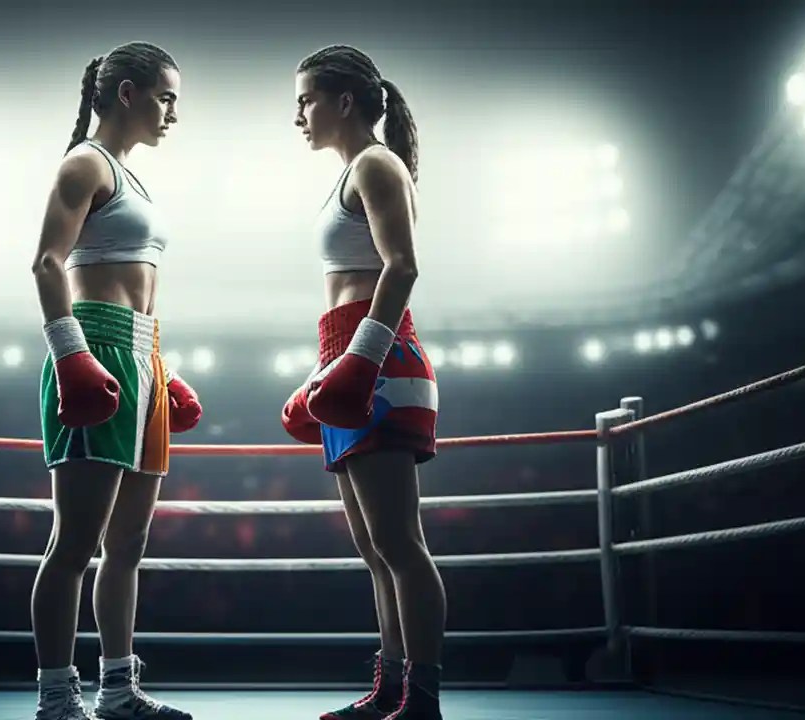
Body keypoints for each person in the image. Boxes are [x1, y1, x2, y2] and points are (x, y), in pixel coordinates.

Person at [30, 41, 201, 720]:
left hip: (142, 354)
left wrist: (166, 367)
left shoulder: (134, 179)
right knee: (73, 543)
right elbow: (47, 263)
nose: (172, 115)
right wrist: (71, 354)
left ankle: (119, 689)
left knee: (127, 545)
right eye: (166, 98)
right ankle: (54, 698)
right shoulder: (84, 163)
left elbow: (140, 287)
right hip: (94, 345)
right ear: (127, 92)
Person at [280, 45, 445, 720]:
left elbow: (401, 267)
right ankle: (391, 688)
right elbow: (347, 284)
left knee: (401, 543)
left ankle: (423, 700)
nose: (298, 116)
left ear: (344, 102)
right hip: (348, 355)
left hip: (380, 361)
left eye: (306, 100)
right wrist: (326, 366)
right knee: (375, 550)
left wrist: (359, 359)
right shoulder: (350, 172)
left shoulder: (376, 164)